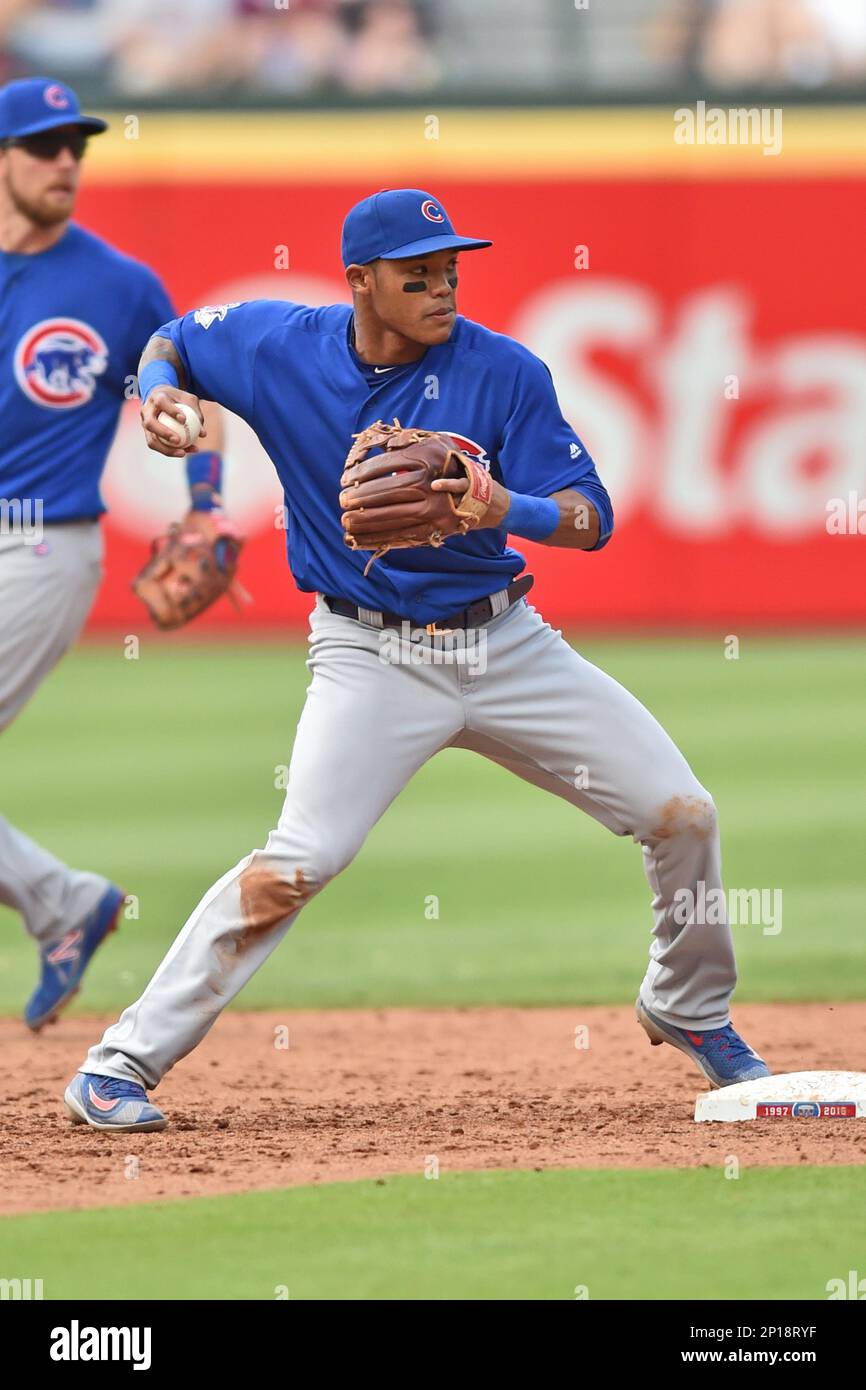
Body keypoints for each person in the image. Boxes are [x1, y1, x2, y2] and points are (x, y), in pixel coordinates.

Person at [64, 187, 769, 1133]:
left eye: (451, 270)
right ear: (360, 282)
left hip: (506, 645)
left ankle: (690, 1007)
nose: (442, 288)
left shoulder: (505, 372)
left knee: (682, 814)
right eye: (418, 275)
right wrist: (156, 398)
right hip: (369, 655)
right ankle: (119, 1065)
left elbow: (591, 516)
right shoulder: (280, 346)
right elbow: (174, 340)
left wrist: (502, 508)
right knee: (299, 860)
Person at [0, 76, 226, 1030]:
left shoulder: (120, 286)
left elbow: (192, 397)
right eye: (45, 145)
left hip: (44, 544)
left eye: (76, 146)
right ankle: (62, 902)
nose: (65, 162)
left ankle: (60, 901)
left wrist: (206, 510)